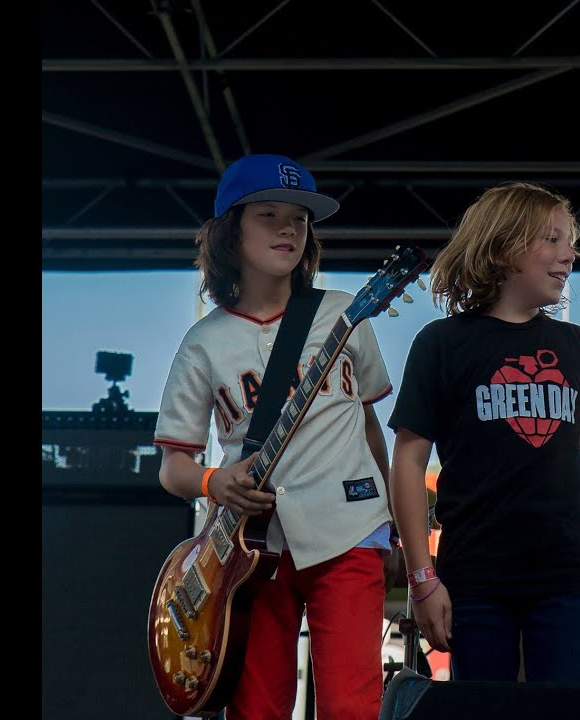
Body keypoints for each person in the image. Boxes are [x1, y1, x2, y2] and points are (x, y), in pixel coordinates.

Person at [387, 181, 580, 684]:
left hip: (567, 573)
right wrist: (422, 578)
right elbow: (407, 461)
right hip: (476, 575)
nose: (568, 255)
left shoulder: (574, 344)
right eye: (552, 240)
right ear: (503, 245)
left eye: (568, 242)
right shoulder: (441, 343)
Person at [153, 153, 394, 720]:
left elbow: (368, 426)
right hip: (249, 548)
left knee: (352, 706)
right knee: (257, 707)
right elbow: (174, 468)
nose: (288, 228)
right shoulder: (203, 342)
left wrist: (398, 533)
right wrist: (216, 480)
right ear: (229, 230)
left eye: (300, 218)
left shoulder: (346, 316)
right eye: (268, 214)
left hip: (352, 529)